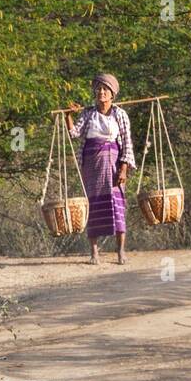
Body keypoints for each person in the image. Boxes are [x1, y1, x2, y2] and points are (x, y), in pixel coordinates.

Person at [64, 72, 135, 265]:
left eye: (105, 89)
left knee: (116, 202)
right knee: (93, 205)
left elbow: (127, 143)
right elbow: (74, 133)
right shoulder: (88, 114)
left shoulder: (120, 115)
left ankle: (120, 251)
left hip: (113, 165)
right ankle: (94, 252)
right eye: (98, 89)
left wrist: (124, 168)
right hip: (92, 166)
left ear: (112, 94)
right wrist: (68, 114)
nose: (101, 92)